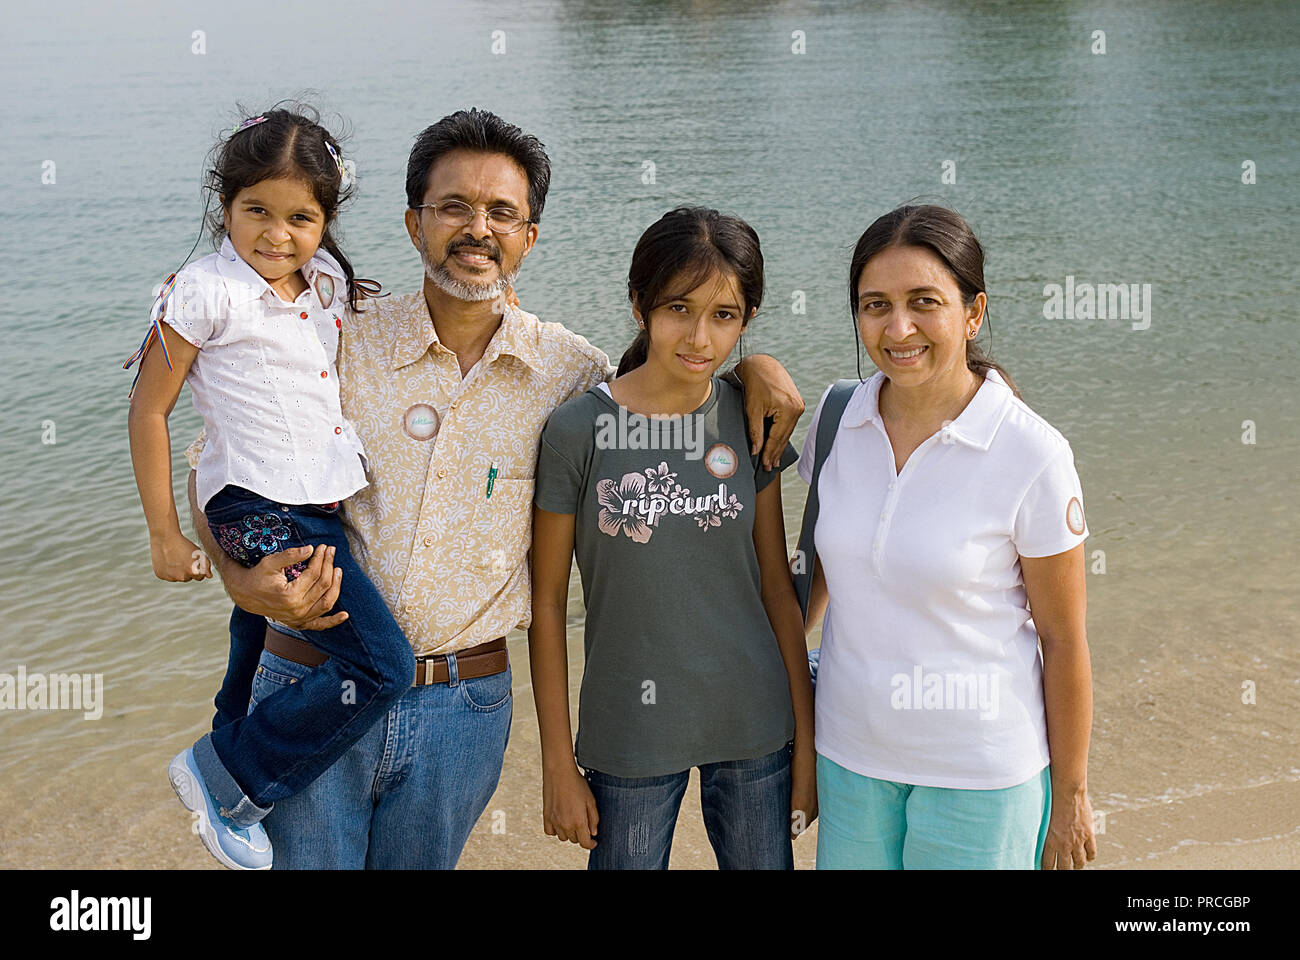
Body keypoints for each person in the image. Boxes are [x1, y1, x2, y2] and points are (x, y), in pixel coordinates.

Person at [183, 109, 806, 868]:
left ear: (529, 237)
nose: (478, 229)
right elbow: (217, 459)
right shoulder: (335, 337)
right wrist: (236, 575)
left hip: (462, 706)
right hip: (316, 683)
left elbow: (677, 371)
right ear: (414, 224)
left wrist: (756, 370)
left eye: (502, 212)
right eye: (454, 207)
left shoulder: (571, 373)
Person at [125, 105, 414, 870]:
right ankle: (231, 779)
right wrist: (164, 534)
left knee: (254, 645)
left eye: (300, 217)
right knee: (385, 665)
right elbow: (148, 409)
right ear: (226, 205)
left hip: (315, 502)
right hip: (255, 504)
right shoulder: (204, 290)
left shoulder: (320, 283)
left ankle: (227, 747)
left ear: (326, 220)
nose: (276, 235)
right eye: (257, 210)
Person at [801, 204, 1096, 870]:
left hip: (982, 776)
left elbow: (1063, 638)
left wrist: (1071, 797)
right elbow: (817, 581)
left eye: (923, 302)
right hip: (850, 761)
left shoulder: (1033, 453)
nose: (897, 327)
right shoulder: (836, 416)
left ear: (973, 312)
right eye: (875, 304)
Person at [530, 207, 817, 870]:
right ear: (639, 305)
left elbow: (777, 588)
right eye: (678, 308)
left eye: (725, 315)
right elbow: (545, 604)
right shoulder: (578, 431)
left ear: (746, 321)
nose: (699, 337)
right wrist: (557, 762)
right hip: (628, 728)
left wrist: (804, 744)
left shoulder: (752, 421)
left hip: (755, 723)